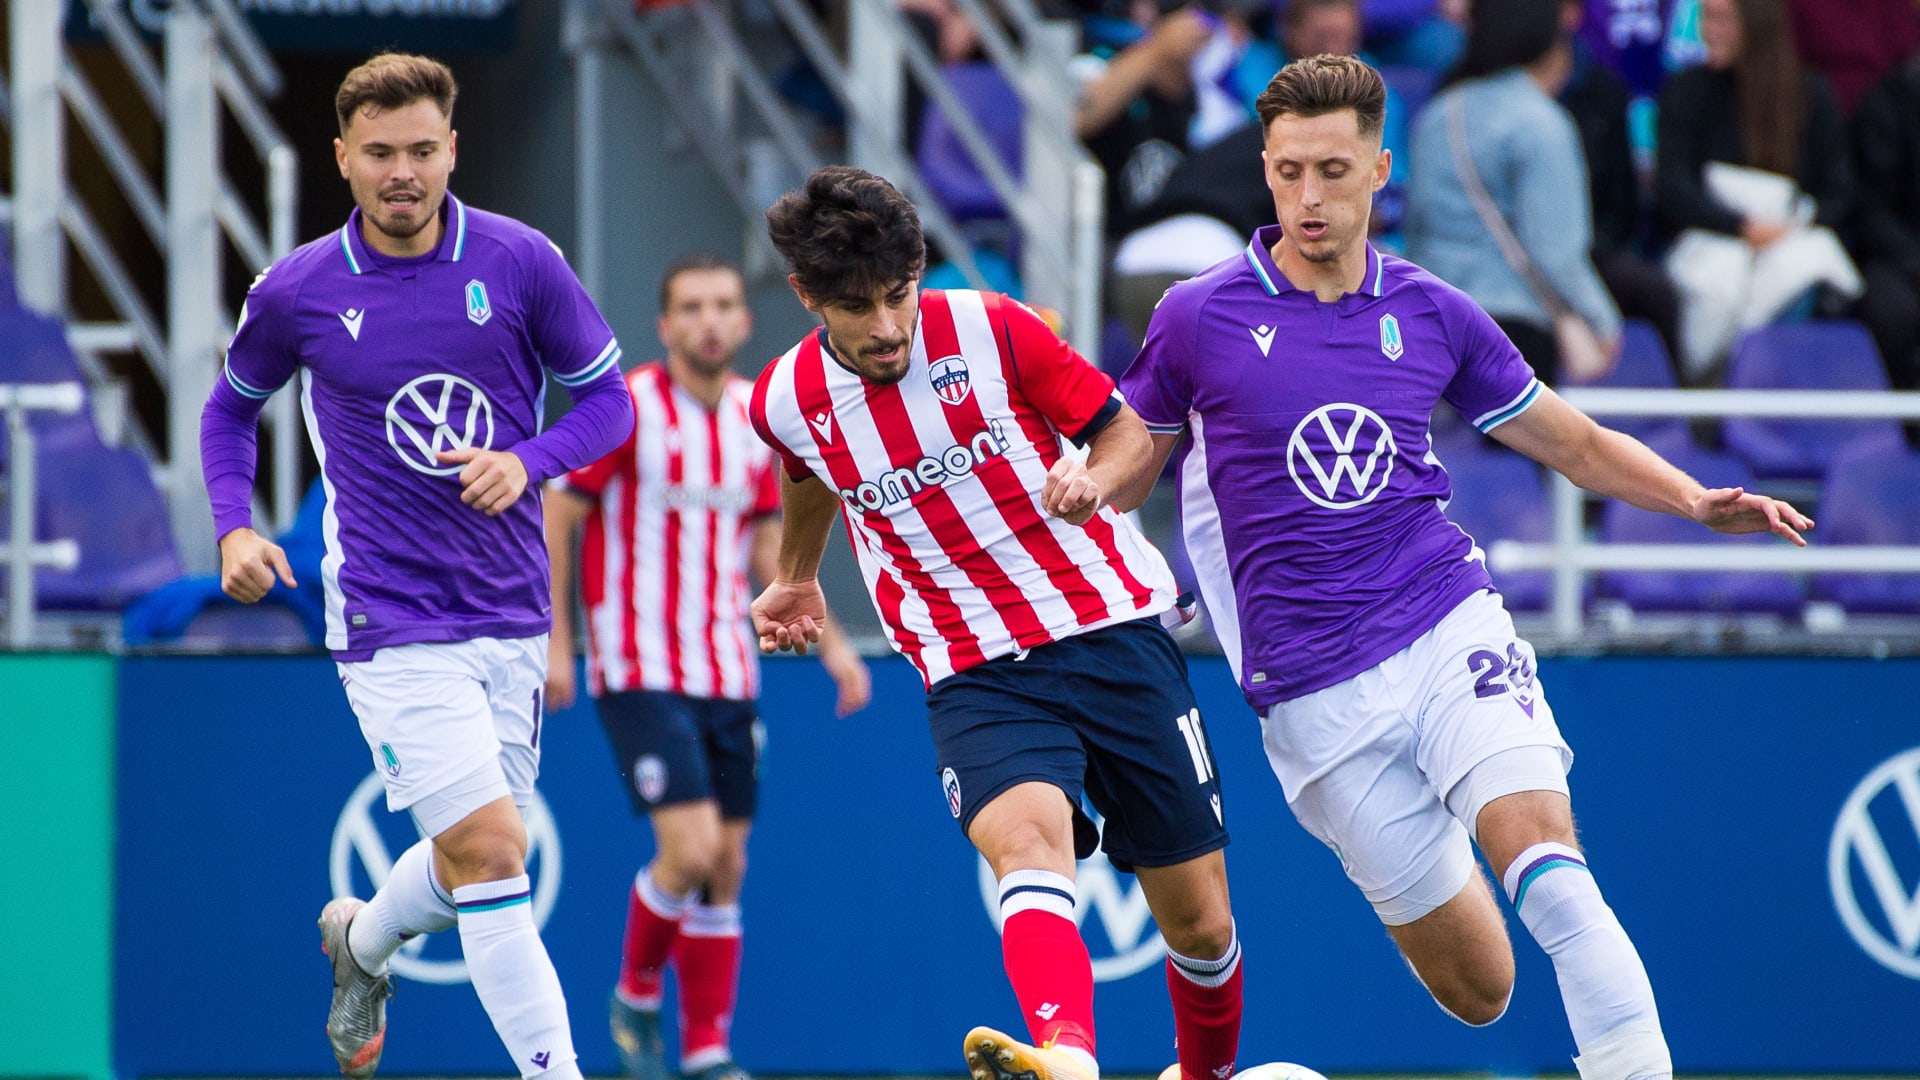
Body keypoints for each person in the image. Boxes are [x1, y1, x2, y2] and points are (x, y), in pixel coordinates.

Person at [1116, 54, 1813, 1080]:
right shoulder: (1195, 316)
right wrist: (1079, 513)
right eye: (1289, 171)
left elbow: (1573, 442)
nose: (1310, 199)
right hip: (1312, 695)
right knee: (1480, 991)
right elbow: (1122, 469)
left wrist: (1693, 499)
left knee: (1553, 872)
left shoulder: (1433, 309)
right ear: (1265, 167)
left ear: (1380, 170)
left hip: (1443, 619)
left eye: (1334, 172)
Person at [747, 165, 1242, 1080]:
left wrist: (1095, 478)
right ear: (807, 296)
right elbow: (808, 466)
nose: (886, 325)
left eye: (898, 294)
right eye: (857, 307)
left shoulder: (994, 327)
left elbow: (1125, 432)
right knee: (1026, 842)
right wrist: (797, 576)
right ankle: (1068, 1055)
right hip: (972, 665)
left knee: (1202, 922)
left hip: (1108, 625)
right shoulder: (783, 398)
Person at [200, 53, 634, 1080]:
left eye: (423, 151)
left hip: (510, 608)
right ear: (342, 157)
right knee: (491, 851)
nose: (403, 173)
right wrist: (233, 528)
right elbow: (229, 411)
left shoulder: (521, 260)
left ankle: (361, 940)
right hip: (387, 616)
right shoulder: (297, 290)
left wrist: (528, 462)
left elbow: (609, 402)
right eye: (381, 153)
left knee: (470, 861)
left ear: (453, 151)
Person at [542, 253, 873, 1080]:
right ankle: (634, 998)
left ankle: (706, 1052)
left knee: (727, 865)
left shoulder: (758, 418)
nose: (710, 321)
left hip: (730, 668)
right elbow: (559, 511)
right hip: (640, 664)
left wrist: (833, 647)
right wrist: (555, 641)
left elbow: (769, 543)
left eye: (723, 304)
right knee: (687, 853)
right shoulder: (628, 410)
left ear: (745, 319)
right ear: (664, 326)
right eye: (691, 307)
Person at [1406, 0, 1622, 386]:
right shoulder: (1542, 123)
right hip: (1514, 332)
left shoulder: (1438, 114)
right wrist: (1603, 322)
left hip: (1433, 325)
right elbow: (1557, 253)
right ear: (1547, 44)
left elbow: (1417, 232)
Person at [1655, 0, 1858, 383]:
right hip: (1711, 237)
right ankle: (1701, 388)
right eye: (1706, 18)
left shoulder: (1809, 93)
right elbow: (1673, 188)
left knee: (1802, 265)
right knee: (1719, 276)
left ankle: (1760, 389)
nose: (1708, 31)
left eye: (1722, 19)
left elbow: (1839, 191)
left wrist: (1792, 224)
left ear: (1756, 22)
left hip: (1787, 234)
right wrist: (1740, 226)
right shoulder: (1686, 90)